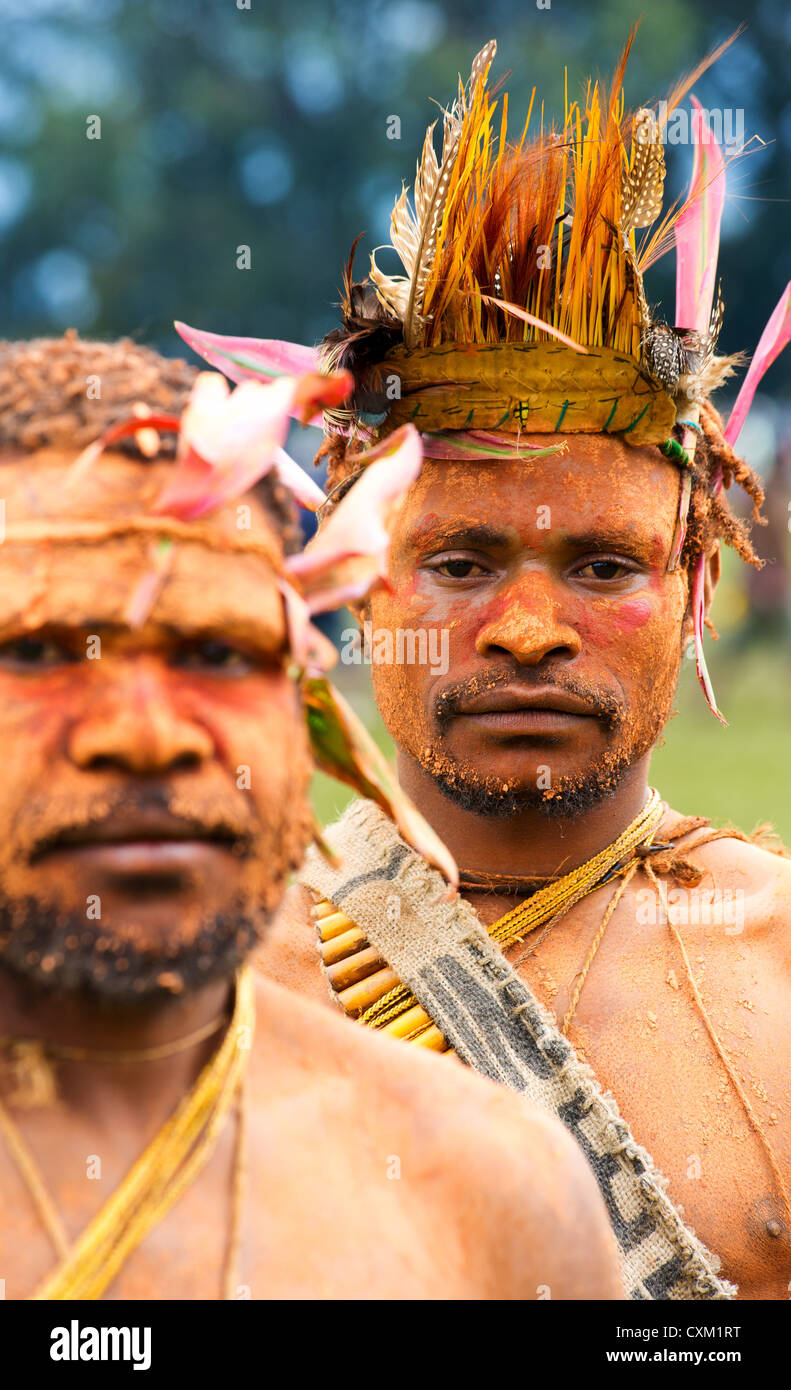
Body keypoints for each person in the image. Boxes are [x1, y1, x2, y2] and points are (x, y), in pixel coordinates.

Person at [240, 37, 791, 1299]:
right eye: (459, 562)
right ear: (354, 581)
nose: (528, 629)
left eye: (602, 567)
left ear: (695, 590)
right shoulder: (212, 981)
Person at [0, 331, 623, 1301]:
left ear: (306, 704)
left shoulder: (490, 1189)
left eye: (217, 653)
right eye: (39, 652)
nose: (149, 736)